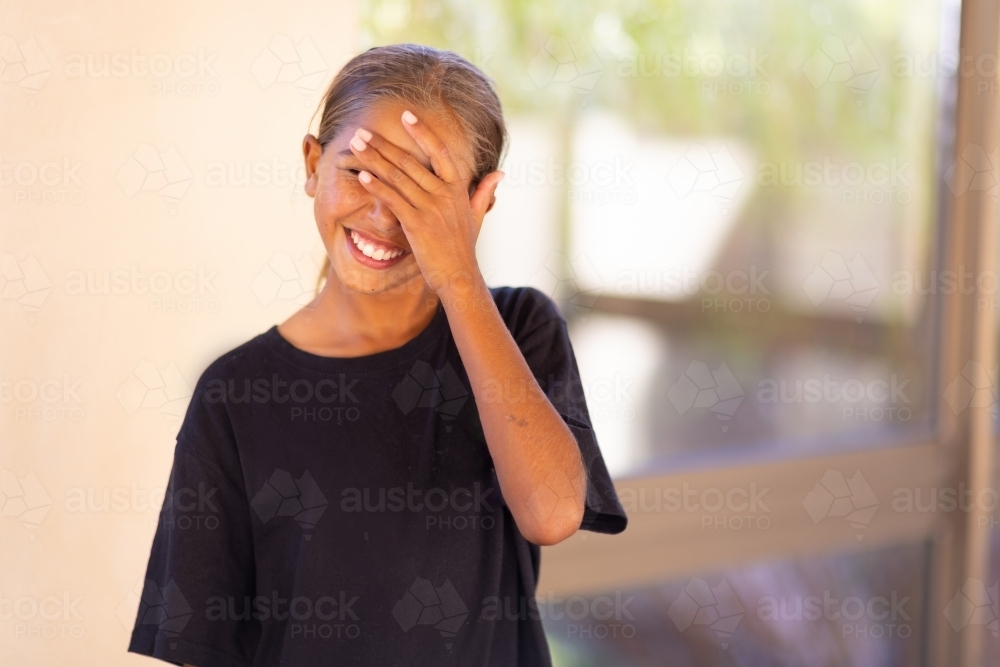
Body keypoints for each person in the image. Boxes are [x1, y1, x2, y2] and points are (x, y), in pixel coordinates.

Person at [128, 43, 627, 667]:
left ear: (481, 200)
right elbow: (200, 645)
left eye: (425, 189)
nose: (385, 212)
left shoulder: (521, 327)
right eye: (360, 171)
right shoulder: (236, 394)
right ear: (312, 163)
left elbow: (551, 513)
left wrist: (460, 279)